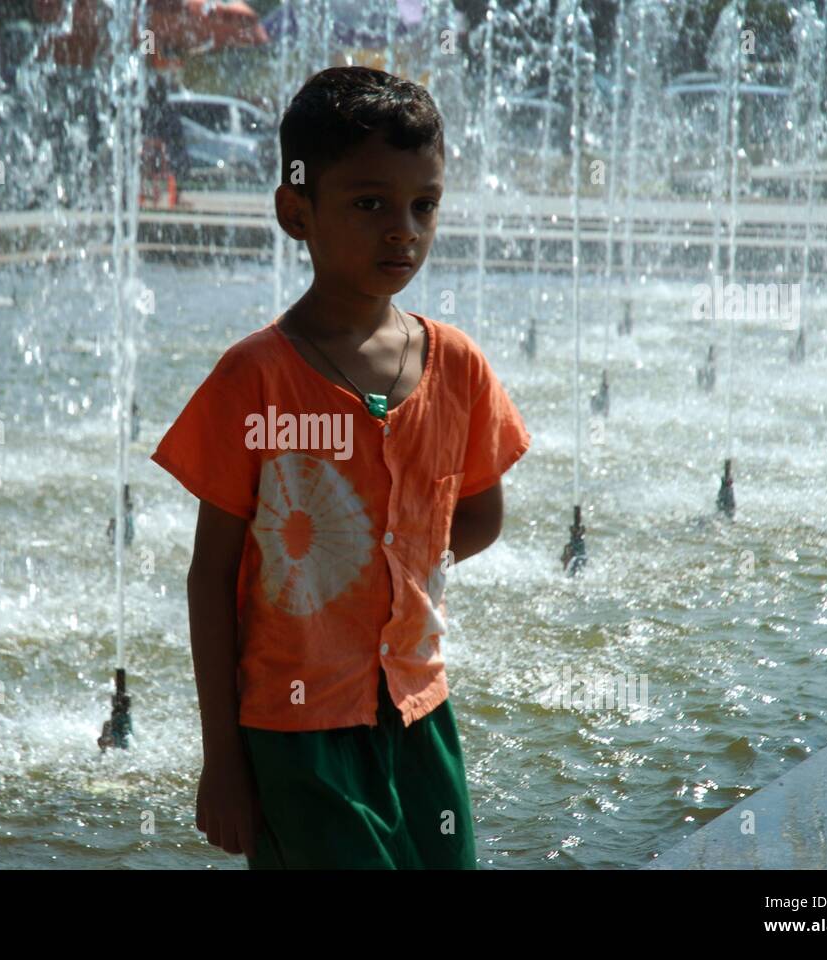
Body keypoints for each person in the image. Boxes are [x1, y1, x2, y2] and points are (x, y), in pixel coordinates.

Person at [150, 67, 532, 869]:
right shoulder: (253, 378)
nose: (403, 230)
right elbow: (211, 576)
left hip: (421, 716)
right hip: (296, 734)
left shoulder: (457, 366)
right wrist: (223, 761)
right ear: (297, 211)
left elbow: (481, 513)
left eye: (422, 205)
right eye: (369, 204)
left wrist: (398, 563)